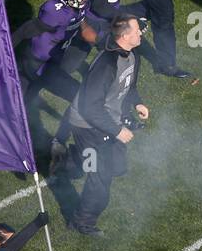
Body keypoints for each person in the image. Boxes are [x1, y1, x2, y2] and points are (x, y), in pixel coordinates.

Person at [56, 14, 149, 236]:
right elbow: (91, 108)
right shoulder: (107, 64)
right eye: (137, 30)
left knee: (117, 166)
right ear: (125, 36)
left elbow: (129, 86)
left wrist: (137, 103)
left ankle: (70, 159)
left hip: (107, 121)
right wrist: (118, 130)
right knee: (100, 179)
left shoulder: (132, 54)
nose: (141, 32)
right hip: (88, 126)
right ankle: (81, 222)